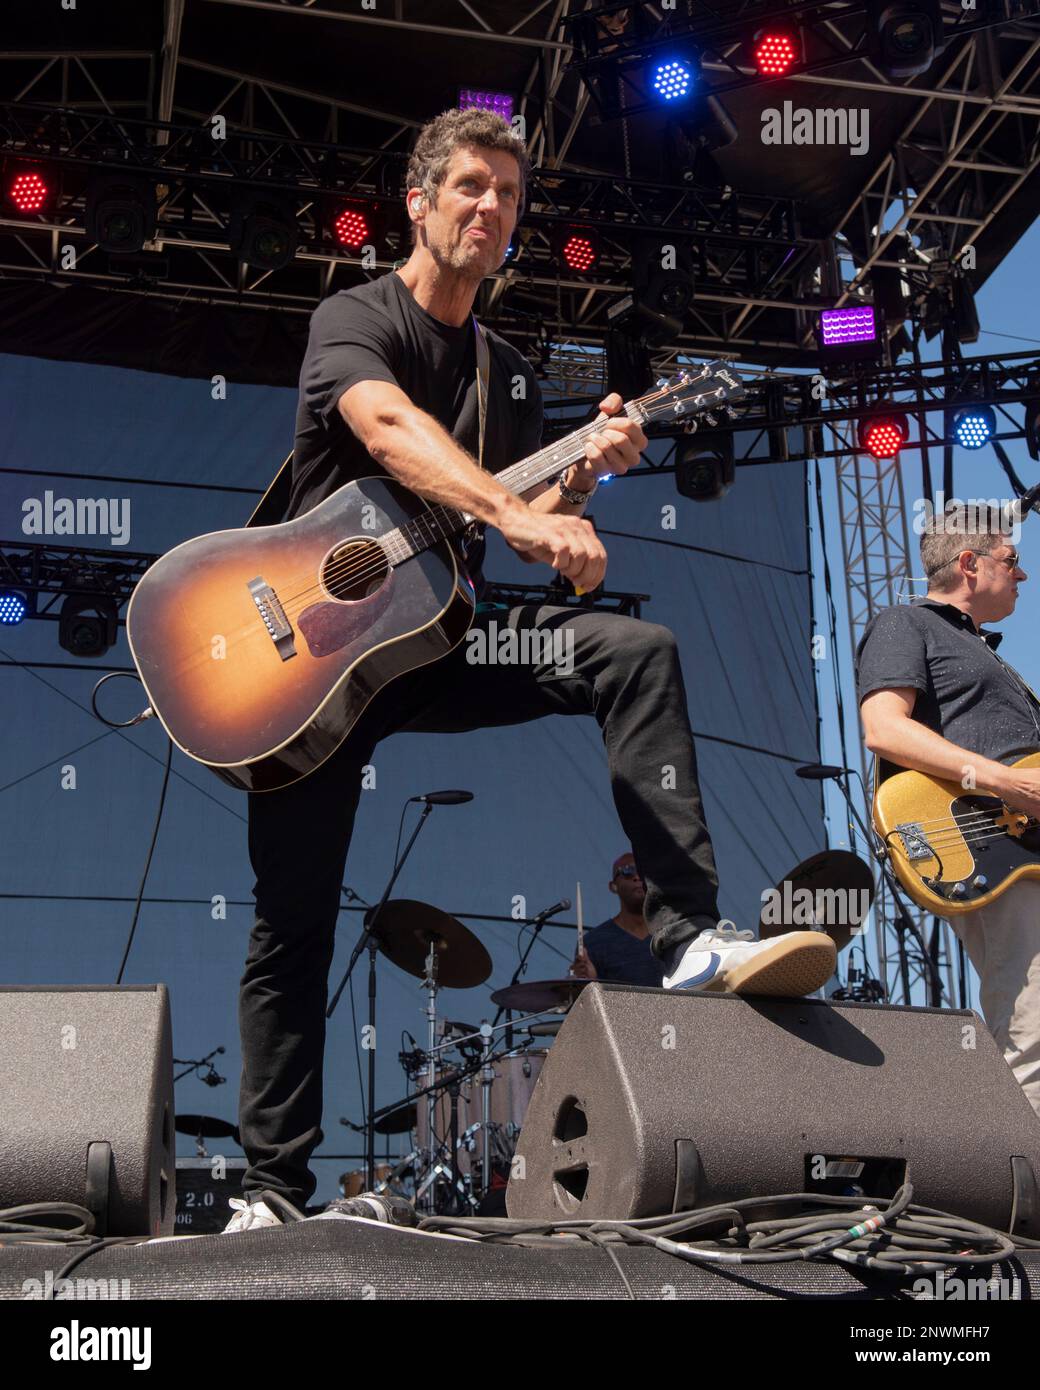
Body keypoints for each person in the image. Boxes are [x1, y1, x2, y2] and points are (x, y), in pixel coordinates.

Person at [227, 108, 835, 1232]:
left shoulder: (506, 376)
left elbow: (521, 526)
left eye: (506, 196)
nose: (488, 209)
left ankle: (689, 933)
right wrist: (514, 507)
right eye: (467, 187)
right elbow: (390, 427)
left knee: (630, 646)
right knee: (292, 921)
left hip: (430, 649)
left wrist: (584, 481)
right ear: (418, 201)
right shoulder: (355, 318)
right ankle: (270, 1191)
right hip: (302, 672)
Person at [856, 517, 1040, 1119]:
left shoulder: (985, 651)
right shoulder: (905, 622)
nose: (1022, 574)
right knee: (1033, 1029)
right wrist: (1007, 781)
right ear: (970, 564)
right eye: (1010, 560)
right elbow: (884, 729)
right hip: (995, 844)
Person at [570, 852, 664, 987]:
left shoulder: (672, 933)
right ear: (613, 886)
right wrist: (585, 981)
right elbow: (589, 999)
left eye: (643, 871)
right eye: (627, 871)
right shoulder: (594, 942)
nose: (637, 877)